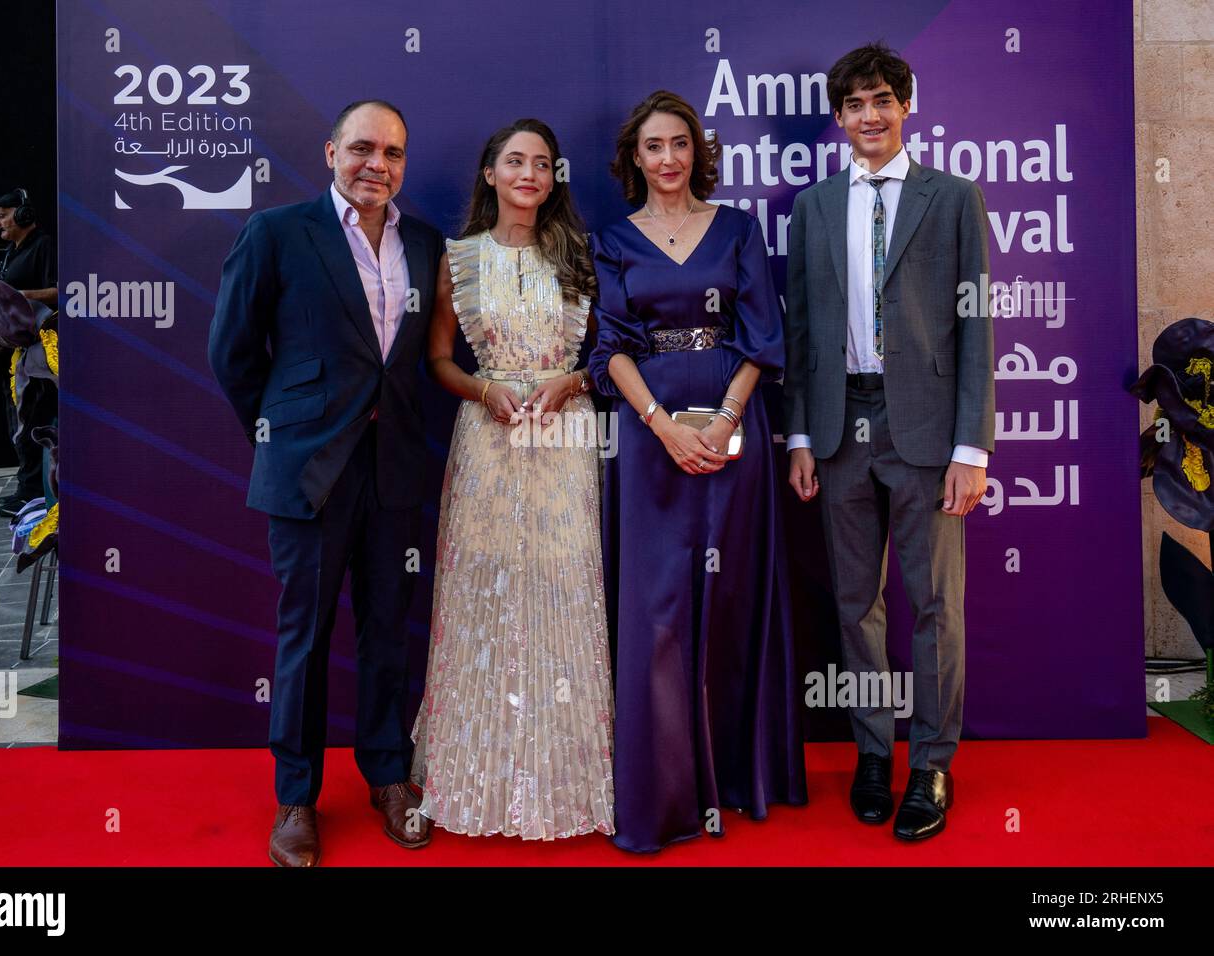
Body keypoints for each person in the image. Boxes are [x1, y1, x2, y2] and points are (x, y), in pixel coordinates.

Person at [208, 100, 443, 866]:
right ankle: (296, 798)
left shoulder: (428, 243)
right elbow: (232, 353)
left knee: (387, 630)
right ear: (330, 152)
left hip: (396, 468)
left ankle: (387, 777)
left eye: (394, 153)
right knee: (303, 638)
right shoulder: (278, 233)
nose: (379, 164)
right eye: (364, 149)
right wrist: (279, 436)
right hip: (308, 470)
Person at [781, 43, 994, 841]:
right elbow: (801, 329)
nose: (870, 116)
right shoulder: (814, 206)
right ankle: (875, 752)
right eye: (855, 104)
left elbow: (977, 326)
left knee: (937, 603)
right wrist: (800, 433)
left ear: (907, 105)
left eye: (883, 100)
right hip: (840, 428)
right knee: (855, 602)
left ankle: (932, 762)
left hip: (928, 433)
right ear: (837, 118)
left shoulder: (954, 198)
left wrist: (972, 449)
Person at [588, 91, 807, 853]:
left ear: (697, 152)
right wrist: (657, 425)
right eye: (653, 146)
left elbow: (762, 338)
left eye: (680, 144)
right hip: (645, 435)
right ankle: (664, 795)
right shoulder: (613, 238)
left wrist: (720, 421)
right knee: (655, 616)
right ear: (634, 159)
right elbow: (608, 343)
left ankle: (738, 780)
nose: (669, 159)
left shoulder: (738, 228)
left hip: (731, 432)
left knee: (727, 601)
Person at [409, 119, 615, 840]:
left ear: (556, 177)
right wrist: (483, 391)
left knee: (565, 586)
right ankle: (476, 776)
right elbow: (439, 359)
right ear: (490, 174)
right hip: (488, 440)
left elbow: (615, 353)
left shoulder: (584, 257)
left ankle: (570, 779)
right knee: (483, 592)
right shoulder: (457, 259)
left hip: (566, 437)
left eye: (541, 164)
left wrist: (571, 381)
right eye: (514, 161)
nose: (528, 173)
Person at [0, 188, 58, 517]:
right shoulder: (12, 251)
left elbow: (62, 289)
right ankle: (25, 487)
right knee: (18, 421)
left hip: (42, 352)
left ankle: (33, 494)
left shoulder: (44, 245)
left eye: (2, 215)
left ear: (24, 214)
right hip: (15, 351)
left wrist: (19, 294)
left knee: (33, 420)